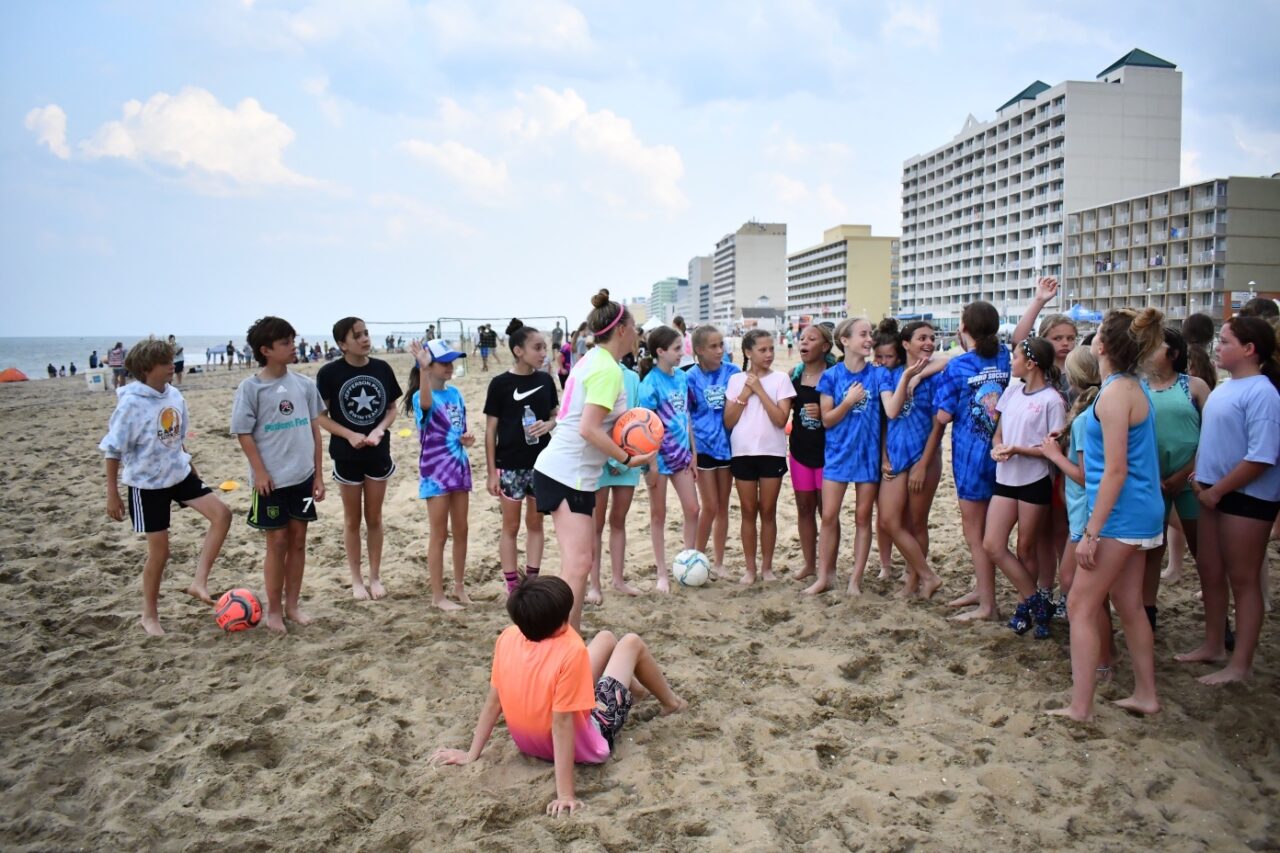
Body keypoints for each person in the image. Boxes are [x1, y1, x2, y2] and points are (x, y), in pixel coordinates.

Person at [429, 576, 686, 815]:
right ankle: (671, 703)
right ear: (560, 623)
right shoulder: (570, 649)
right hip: (588, 741)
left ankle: (636, 691)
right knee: (630, 642)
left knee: (606, 638)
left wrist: (471, 753)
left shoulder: (508, 637)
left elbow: (494, 700)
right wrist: (565, 794)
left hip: (528, 742)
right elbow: (562, 723)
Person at [1049, 308, 1165, 721]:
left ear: (1101, 345)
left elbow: (1115, 469)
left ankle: (1081, 707)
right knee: (1129, 603)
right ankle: (1146, 694)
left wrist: (1092, 532)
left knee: (1081, 604)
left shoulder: (1116, 393)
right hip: (1139, 511)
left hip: (1122, 514)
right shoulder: (1132, 386)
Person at [534, 291, 654, 630]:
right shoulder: (607, 369)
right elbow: (588, 429)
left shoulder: (593, 359)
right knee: (578, 563)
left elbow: (590, 423)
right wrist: (628, 458)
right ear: (622, 330)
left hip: (570, 471)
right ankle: (563, 638)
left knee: (576, 562)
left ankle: (564, 630)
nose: (637, 334)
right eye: (634, 328)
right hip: (566, 472)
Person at [100, 337, 231, 635]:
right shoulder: (130, 404)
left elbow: (177, 438)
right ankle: (150, 615)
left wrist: (192, 469)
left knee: (222, 515)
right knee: (160, 552)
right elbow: (113, 450)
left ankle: (199, 581)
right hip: (146, 485)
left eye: (172, 360)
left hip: (179, 474)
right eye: (165, 362)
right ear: (147, 369)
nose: (172, 366)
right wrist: (113, 493)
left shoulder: (174, 395)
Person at [1176, 316, 1280, 684]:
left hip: (1246, 498)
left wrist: (1218, 490)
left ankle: (1241, 664)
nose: (1218, 347)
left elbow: (1261, 456)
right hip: (1211, 493)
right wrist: (1200, 478)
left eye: (1225, 342)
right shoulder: (1224, 386)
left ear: (1249, 349)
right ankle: (1213, 644)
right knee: (1210, 571)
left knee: (1243, 579)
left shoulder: (1263, 392)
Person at [230, 317, 325, 635]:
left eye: (292, 340)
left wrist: (319, 475)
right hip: (270, 481)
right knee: (277, 542)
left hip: (302, 477)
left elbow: (315, 430)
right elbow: (244, 433)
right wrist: (259, 471)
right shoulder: (251, 388)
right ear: (266, 350)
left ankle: (292, 605)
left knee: (299, 542)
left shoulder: (304, 385)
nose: (292, 346)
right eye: (285, 343)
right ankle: (272, 610)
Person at [929, 301, 1011, 621]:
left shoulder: (959, 366)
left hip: (971, 455)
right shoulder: (1006, 356)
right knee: (990, 529)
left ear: (963, 329)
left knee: (975, 531)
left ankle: (988, 604)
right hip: (1003, 453)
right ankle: (982, 587)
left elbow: (944, 414)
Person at [315, 317, 403, 601]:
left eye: (366, 333)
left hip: (378, 453)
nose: (365, 339)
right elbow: (319, 416)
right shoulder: (329, 373)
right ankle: (356, 579)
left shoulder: (381, 368)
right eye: (358, 335)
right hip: (346, 456)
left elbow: (392, 408)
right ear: (342, 344)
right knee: (352, 520)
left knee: (374, 517)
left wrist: (379, 429)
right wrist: (349, 434)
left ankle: (375, 577)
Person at [984, 337, 1066, 638]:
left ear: (1030, 363)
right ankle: (1036, 600)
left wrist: (1018, 449)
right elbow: (999, 433)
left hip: (1034, 479)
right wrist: (999, 448)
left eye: (1015, 357)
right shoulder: (1011, 391)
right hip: (1006, 477)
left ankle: (1023, 606)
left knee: (1025, 547)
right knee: (992, 544)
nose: (1011, 361)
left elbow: (1053, 448)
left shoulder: (1052, 400)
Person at [484, 320, 558, 595]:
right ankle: (513, 584)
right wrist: (492, 472)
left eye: (544, 347)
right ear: (518, 350)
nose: (543, 353)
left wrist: (550, 424)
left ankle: (533, 580)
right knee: (511, 525)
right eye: (537, 348)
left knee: (536, 522)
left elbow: (554, 414)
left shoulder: (545, 379)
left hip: (542, 465)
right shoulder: (500, 384)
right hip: (510, 465)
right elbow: (490, 431)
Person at [807, 318, 879, 595]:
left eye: (870, 334)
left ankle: (855, 581)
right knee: (828, 516)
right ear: (845, 341)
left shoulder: (877, 374)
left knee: (863, 518)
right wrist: (848, 402)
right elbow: (826, 420)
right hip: (837, 455)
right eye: (863, 334)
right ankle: (824, 576)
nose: (869, 339)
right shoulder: (831, 376)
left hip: (868, 455)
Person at [1142, 328, 1209, 622]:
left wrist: (1187, 471)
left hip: (1192, 479)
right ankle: (1148, 611)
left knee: (1203, 550)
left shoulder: (1193, 386)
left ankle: (1218, 619)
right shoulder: (1137, 387)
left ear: (1174, 353)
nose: (1148, 351)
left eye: (1156, 346)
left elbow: (1212, 436)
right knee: (1152, 551)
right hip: (1151, 480)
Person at [878, 319, 947, 599]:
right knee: (889, 520)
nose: (928, 342)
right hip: (896, 456)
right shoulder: (888, 375)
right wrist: (908, 377)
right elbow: (891, 413)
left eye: (931, 337)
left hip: (924, 458)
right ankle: (928, 576)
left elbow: (937, 427)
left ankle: (912, 581)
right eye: (921, 338)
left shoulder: (936, 377)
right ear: (906, 344)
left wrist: (923, 465)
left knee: (917, 522)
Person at [1041, 347, 1103, 648]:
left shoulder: (1086, 417)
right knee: (1072, 580)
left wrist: (1054, 454)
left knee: (1074, 583)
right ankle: (1101, 650)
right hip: (1082, 509)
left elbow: (1083, 474)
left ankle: (1101, 653)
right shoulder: (1086, 410)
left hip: (1087, 511)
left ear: (1073, 376)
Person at [407, 338, 475, 611]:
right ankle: (438, 595)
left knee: (462, 530)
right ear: (428, 365)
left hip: (459, 467)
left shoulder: (455, 393)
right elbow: (424, 405)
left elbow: (460, 430)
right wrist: (423, 372)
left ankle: (459, 586)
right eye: (443, 362)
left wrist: (467, 438)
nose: (450, 366)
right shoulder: (421, 395)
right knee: (439, 535)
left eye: (451, 361)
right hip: (435, 472)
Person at [725, 329, 795, 585]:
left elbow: (780, 420)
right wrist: (745, 393)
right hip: (742, 452)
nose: (768, 354)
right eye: (762, 350)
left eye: (771, 349)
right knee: (747, 511)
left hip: (772, 452)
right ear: (748, 352)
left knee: (768, 511)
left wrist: (760, 390)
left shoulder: (780, 380)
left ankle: (767, 568)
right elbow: (729, 420)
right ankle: (749, 568)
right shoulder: (735, 380)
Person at [638, 326, 699, 593]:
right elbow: (643, 430)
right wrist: (650, 464)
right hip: (658, 460)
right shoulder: (649, 384)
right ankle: (662, 573)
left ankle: (689, 559)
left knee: (693, 509)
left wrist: (693, 454)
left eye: (681, 347)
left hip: (682, 457)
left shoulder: (682, 378)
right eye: (676, 348)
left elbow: (686, 418)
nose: (681, 352)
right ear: (660, 352)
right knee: (658, 515)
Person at [686, 325, 740, 580]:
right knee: (709, 506)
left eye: (722, 345)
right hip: (704, 448)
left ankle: (719, 562)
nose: (720, 350)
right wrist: (691, 451)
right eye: (714, 346)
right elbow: (686, 416)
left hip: (728, 447)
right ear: (699, 350)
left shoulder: (733, 372)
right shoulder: (690, 378)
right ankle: (695, 558)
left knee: (723, 507)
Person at [591, 357, 644, 602]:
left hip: (628, 456)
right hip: (598, 457)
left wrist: (622, 459)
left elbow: (636, 419)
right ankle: (594, 586)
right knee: (595, 525)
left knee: (619, 520)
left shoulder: (631, 377)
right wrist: (614, 458)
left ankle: (618, 579)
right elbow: (591, 421)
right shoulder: (595, 371)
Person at [790, 324, 835, 583]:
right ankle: (809, 564)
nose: (804, 342)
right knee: (804, 509)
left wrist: (826, 411)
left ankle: (828, 567)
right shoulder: (794, 377)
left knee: (827, 513)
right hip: (799, 452)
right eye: (802, 338)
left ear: (825, 347)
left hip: (829, 455)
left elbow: (846, 414)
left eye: (811, 338)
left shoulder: (835, 376)